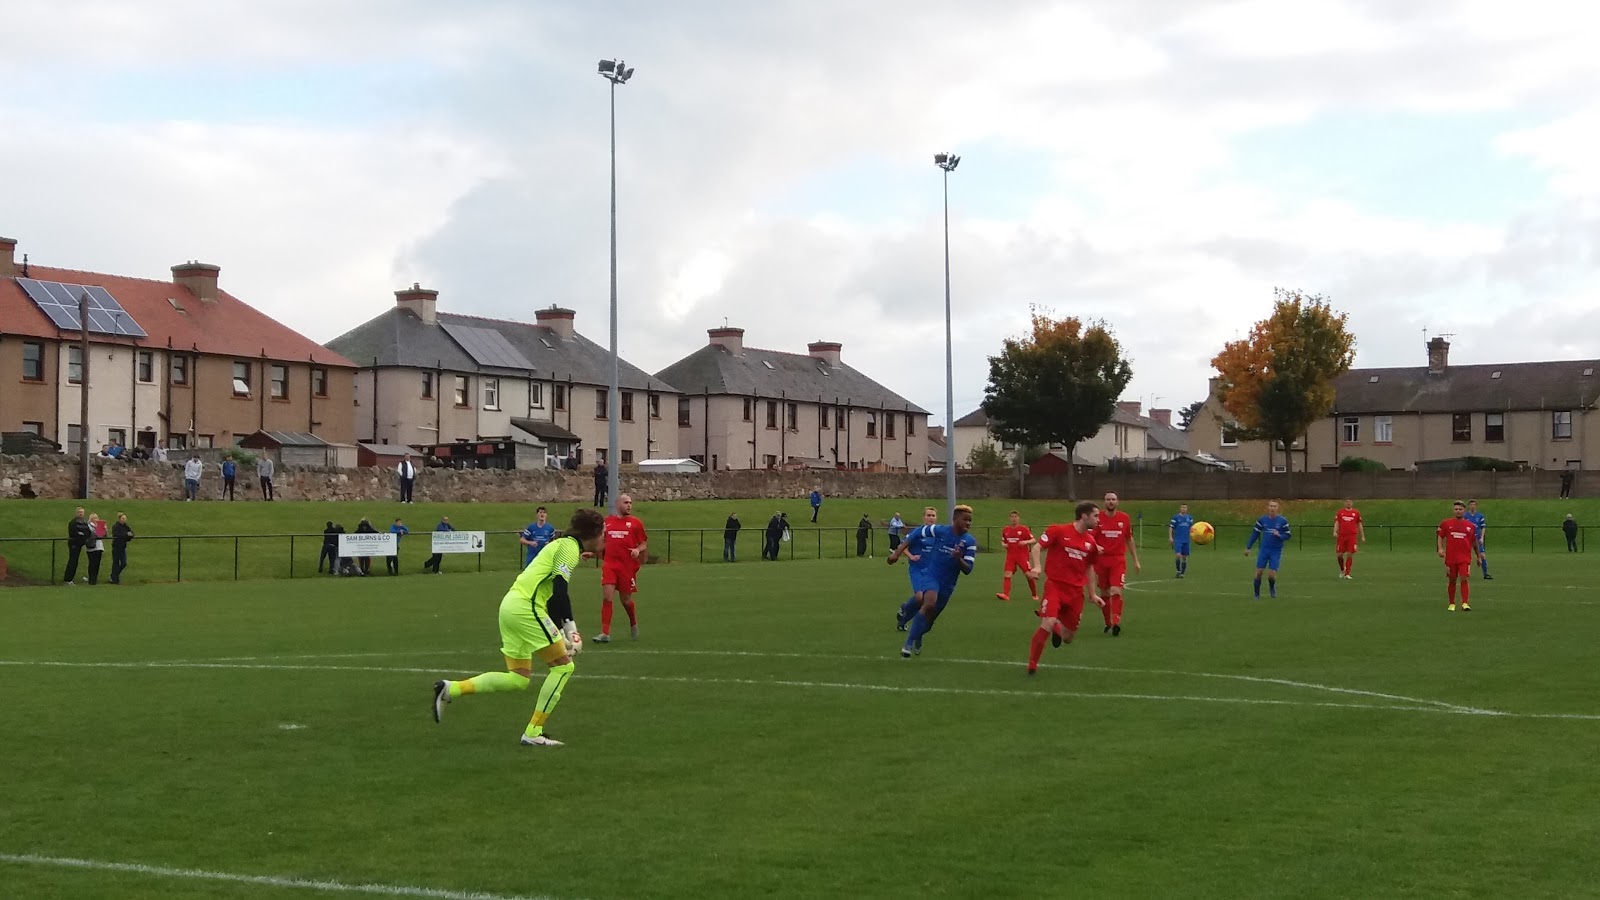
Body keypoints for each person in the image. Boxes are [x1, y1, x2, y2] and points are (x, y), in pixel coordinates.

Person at [431, 508, 606, 748]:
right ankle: (533, 732)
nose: (604, 539)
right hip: (526, 608)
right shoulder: (569, 547)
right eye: (603, 534)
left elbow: (553, 597)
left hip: (510, 607)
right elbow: (559, 591)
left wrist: (561, 631)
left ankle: (451, 689)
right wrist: (572, 630)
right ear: (594, 533)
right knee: (564, 668)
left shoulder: (563, 546)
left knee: (518, 679)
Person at [1026, 501, 1109, 675]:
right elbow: (1037, 547)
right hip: (1055, 586)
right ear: (1084, 516)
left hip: (1076, 593)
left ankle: (1057, 625)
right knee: (1047, 622)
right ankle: (1032, 664)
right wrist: (1037, 567)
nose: (1098, 520)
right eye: (1095, 516)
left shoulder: (1090, 542)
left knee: (1068, 637)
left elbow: (1090, 567)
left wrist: (1092, 594)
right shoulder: (1058, 530)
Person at [888, 505, 976, 658]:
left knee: (928, 623)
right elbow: (915, 534)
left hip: (948, 585)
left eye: (970, 521)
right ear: (955, 519)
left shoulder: (969, 541)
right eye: (965, 520)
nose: (968, 523)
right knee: (928, 602)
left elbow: (968, 569)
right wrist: (897, 553)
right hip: (931, 575)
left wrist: (958, 559)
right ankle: (907, 644)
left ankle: (919, 634)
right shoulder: (940, 531)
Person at [596, 494, 647, 642]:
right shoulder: (608, 522)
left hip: (627, 567)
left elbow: (643, 543)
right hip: (610, 565)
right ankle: (605, 633)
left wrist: (638, 550)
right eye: (626, 502)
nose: (629, 505)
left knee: (625, 601)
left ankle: (633, 622)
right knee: (607, 597)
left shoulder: (636, 523)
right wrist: (591, 552)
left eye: (630, 502)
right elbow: (604, 543)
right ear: (618, 504)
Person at [1092, 492, 1140, 636]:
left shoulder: (1124, 518)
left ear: (1117, 502)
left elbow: (1129, 539)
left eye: (1113, 499)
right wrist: (1095, 547)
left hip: (1118, 560)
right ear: (1104, 502)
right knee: (1104, 592)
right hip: (1101, 560)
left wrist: (1136, 560)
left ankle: (1116, 622)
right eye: (1108, 499)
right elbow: (1089, 537)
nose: (1111, 502)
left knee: (1116, 590)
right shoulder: (1097, 518)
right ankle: (1108, 622)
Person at [1437, 501, 1482, 612]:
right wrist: (1440, 548)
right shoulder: (1446, 523)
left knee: (1463, 578)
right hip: (1451, 558)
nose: (1458, 511)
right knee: (1452, 580)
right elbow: (1440, 536)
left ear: (1464, 511)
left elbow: (1474, 543)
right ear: (1453, 510)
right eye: (1456, 509)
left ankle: (1465, 603)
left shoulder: (1470, 526)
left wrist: (1479, 556)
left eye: (1460, 509)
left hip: (1464, 558)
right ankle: (1451, 603)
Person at [1245, 500, 1292, 600]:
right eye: (1271, 506)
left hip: (1276, 551)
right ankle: (1256, 594)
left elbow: (1288, 535)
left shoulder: (1282, 521)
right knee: (1259, 572)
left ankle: (1272, 588)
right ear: (1268, 508)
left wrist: (1279, 535)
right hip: (1264, 550)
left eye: (1275, 506)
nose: (1272, 508)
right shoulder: (1262, 520)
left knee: (1271, 575)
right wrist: (1248, 547)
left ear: (1278, 508)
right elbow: (1255, 534)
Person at [996, 510, 1038, 602]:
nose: (1014, 519)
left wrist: (1025, 542)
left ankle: (1034, 594)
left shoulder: (1023, 529)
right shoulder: (1006, 530)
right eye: (1012, 517)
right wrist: (1003, 544)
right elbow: (1003, 540)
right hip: (1010, 556)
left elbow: (1033, 539)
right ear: (1009, 518)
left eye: (1015, 517)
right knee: (1007, 574)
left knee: (1028, 575)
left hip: (1022, 556)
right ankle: (1006, 595)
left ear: (1018, 518)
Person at [1333, 499, 1365, 579]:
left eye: (1350, 502)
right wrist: (1335, 531)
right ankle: (1342, 569)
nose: (1348, 503)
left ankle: (1347, 574)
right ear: (1344, 503)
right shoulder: (1340, 512)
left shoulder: (1356, 513)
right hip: (1342, 535)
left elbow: (1359, 524)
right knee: (1339, 555)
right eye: (1347, 502)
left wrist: (1362, 536)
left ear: (1352, 503)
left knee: (1350, 554)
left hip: (1352, 536)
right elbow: (1337, 522)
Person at [63, 507, 91, 585]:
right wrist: (81, 534)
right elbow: (74, 533)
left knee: (75, 561)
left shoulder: (84, 522)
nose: (80, 513)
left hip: (80, 544)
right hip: (74, 544)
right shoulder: (73, 522)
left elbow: (88, 532)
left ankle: (70, 578)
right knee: (73, 560)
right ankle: (68, 579)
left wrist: (82, 534)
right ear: (76, 513)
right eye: (79, 512)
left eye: (82, 512)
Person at [1465, 500, 1492, 579]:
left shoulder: (1480, 515)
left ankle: (1486, 574)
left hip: (1477, 538)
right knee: (1466, 555)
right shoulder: (1465, 516)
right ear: (1469, 506)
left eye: (1474, 504)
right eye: (1471, 504)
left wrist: (1482, 537)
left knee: (1482, 556)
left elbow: (1483, 527)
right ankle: (1466, 572)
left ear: (1476, 506)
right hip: (1468, 538)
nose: (1472, 506)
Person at [1168, 503, 1195, 578]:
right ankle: (1178, 571)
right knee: (1178, 555)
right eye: (1182, 507)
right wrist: (1170, 537)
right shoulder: (1175, 517)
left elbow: (1191, 528)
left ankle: (1182, 573)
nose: (1184, 509)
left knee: (1184, 557)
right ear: (1180, 509)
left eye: (1185, 507)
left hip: (1186, 540)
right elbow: (1171, 527)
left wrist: (1194, 535)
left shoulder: (1189, 518)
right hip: (1178, 539)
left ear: (1187, 509)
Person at [109, 513, 134, 584]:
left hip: (123, 547)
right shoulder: (116, 526)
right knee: (115, 563)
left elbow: (131, 533)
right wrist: (126, 535)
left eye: (125, 518)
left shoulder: (126, 526)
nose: (124, 520)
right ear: (119, 519)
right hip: (116, 547)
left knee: (124, 563)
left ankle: (113, 575)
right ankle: (114, 579)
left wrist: (130, 535)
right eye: (123, 518)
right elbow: (117, 535)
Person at [85, 513, 107, 585]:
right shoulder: (88, 526)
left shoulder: (99, 525)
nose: (96, 519)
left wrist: (104, 530)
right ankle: (91, 579)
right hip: (91, 547)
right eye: (94, 518)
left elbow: (103, 536)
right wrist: (98, 530)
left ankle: (95, 579)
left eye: (96, 518)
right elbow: (91, 534)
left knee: (97, 564)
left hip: (99, 547)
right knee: (92, 563)